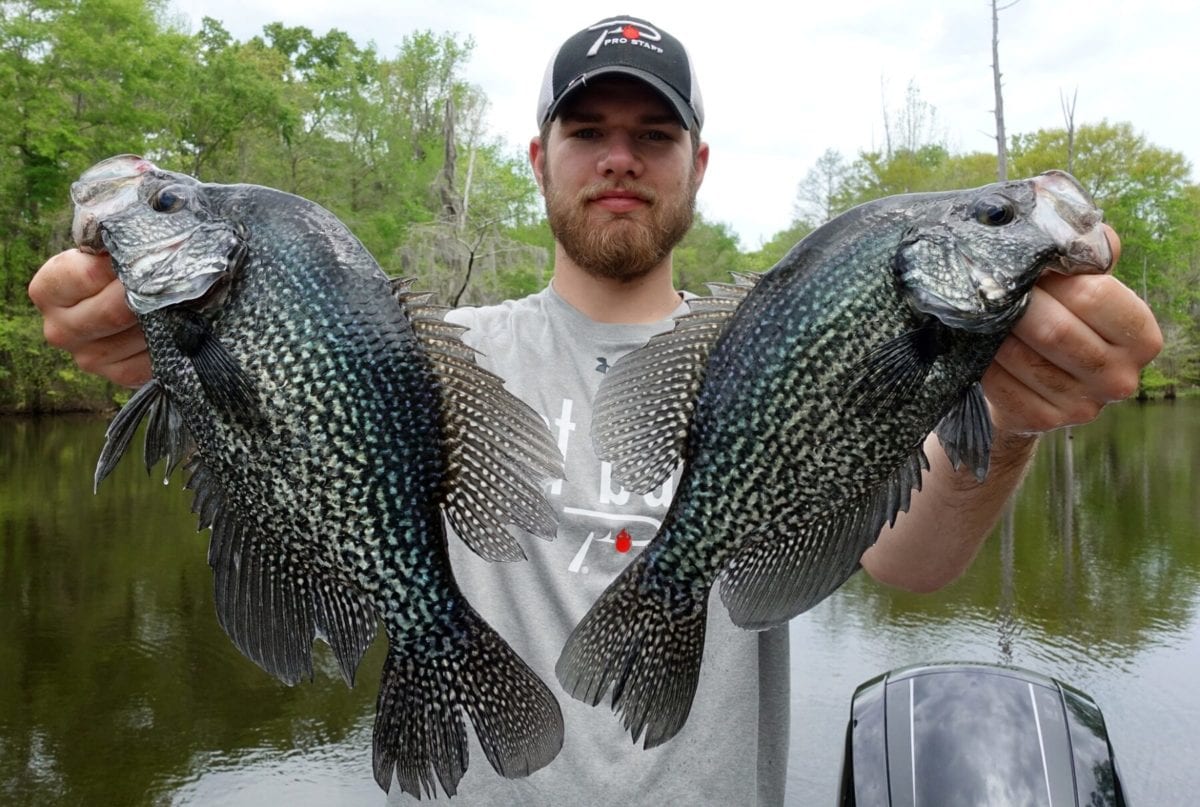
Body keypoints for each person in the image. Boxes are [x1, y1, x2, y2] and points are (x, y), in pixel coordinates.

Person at [28, 14, 1161, 806]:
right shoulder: (424, 363)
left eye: (653, 135)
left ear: (698, 163)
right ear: (539, 157)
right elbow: (276, 426)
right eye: (589, 132)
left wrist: (1005, 422)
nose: (620, 160)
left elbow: (909, 567)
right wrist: (161, 360)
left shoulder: (766, 349)